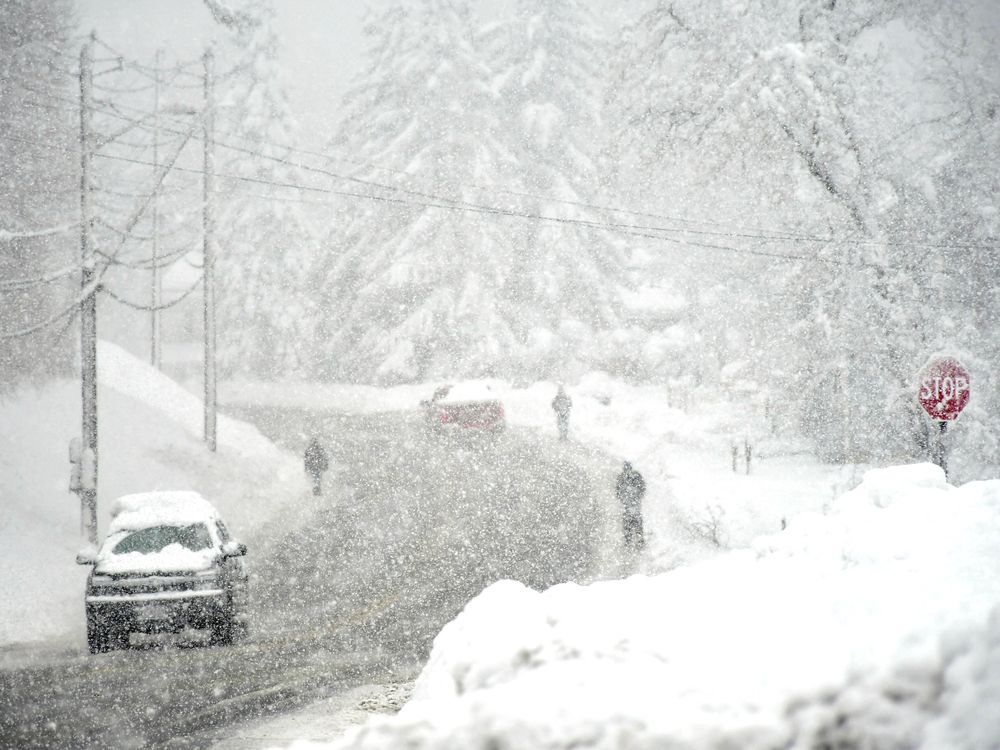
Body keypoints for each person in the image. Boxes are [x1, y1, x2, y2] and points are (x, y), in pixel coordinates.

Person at [615, 461, 646, 550]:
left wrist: (623, 498)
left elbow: (618, 492)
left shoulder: (621, 478)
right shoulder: (636, 476)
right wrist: (638, 496)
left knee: (628, 522)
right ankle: (639, 540)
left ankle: (629, 542)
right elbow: (642, 488)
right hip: (634, 503)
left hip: (628, 504)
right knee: (636, 520)